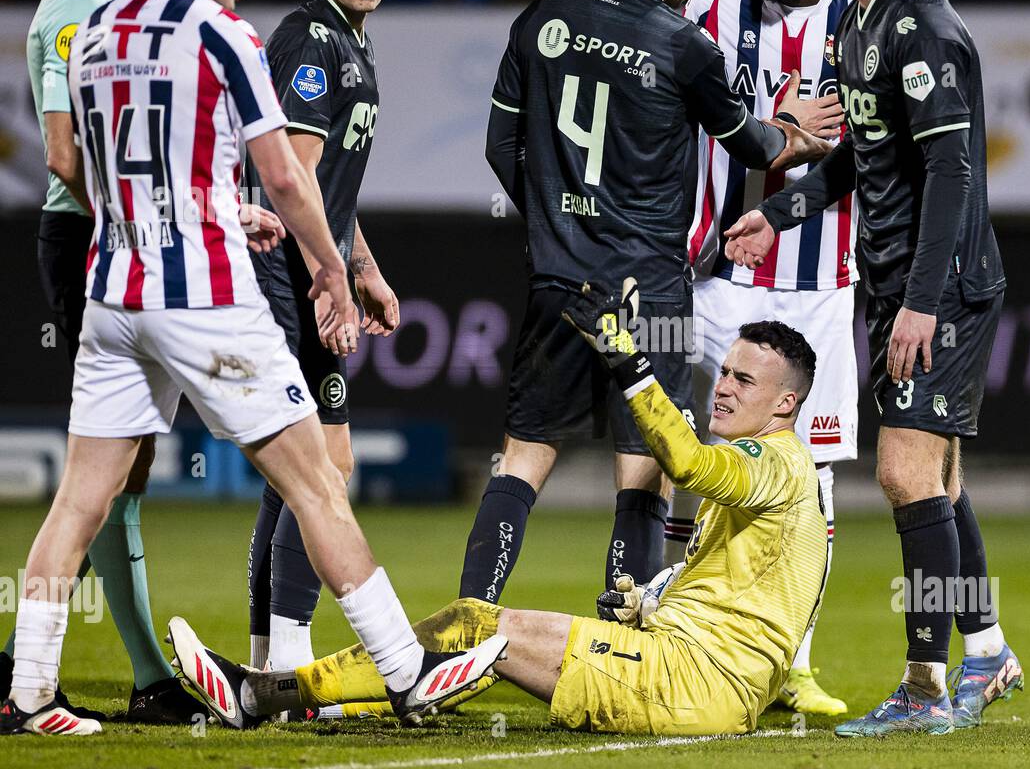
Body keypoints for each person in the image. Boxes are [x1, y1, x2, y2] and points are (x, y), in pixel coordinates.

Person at [0, 0, 440, 736]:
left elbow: (94, 170)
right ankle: (406, 673)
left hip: (112, 294)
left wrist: (212, 212)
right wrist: (330, 272)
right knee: (317, 480)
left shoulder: (91, 32)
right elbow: (283, 173)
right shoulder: (222, 34)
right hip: (202, 299)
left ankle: (28, 697)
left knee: (78, 501)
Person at [170, 288, 829, 737]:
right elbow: (747, 598)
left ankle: (266, 694)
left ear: (785, 405)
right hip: (688, 669)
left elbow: (687, 463)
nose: (725, 388)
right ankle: (281, 692)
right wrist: (655, 609)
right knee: (471, 633)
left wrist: (628, 362)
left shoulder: (776, 463)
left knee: (471, 630)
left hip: (692, 684)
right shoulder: (776, 475)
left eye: (746, 381)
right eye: (727, 372)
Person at [464, 0, 832, 613]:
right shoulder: (682, 43)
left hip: (559, 279)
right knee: (647, 470)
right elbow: (756, 148)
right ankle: (624, 637)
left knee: (521, 460)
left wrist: (556, 226)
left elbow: (498, 147)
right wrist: (797, 131)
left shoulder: (545, 15)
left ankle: (466, 627)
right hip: (649, 290)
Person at [725, 0, 1023, 736]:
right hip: (900, 285)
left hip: (945, 289)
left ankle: (925, 686)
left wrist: (923, 302)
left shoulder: (923, 27)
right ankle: (989, 651)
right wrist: (779, 216)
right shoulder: (862, 20)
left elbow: (954, 171)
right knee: (937, 479)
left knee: (901, 472)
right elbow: (861, 154)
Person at [5, 0, 204, 726]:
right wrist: (137, 223)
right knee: (111, 465)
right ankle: (136, 676)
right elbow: (62, 153)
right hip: (92, 231)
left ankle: (80, 668)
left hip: (127, 232)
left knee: (127, 467)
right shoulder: (74, 3)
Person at [671, 0, 857, 717]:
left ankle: (792, 663)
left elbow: (869, 148)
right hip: (715, 280)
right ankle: (673, 630)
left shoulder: (862, 22)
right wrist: (783, 134)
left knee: (810, 478)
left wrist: (806, 150)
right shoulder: (709, 10)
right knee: (683, 455)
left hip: (819, 285)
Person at [241, 0, 401, 690]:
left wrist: (363, 267)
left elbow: (331, 191)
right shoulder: (310, 40)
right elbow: (293, 180)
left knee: (306, 471)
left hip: (314, 267)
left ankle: (270, 657)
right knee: (321, 466)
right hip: (283, 271)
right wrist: (325, 281)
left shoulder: (354, 43)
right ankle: (289, 658)